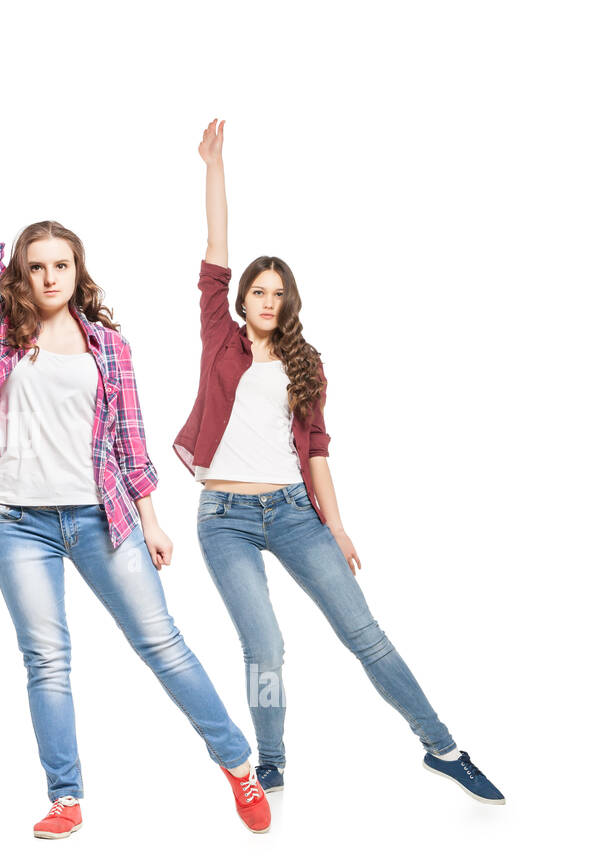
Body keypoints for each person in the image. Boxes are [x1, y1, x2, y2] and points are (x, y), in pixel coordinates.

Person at [0, 85, 268, 838]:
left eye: (62, 265)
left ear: (80, 272)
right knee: (47, 661)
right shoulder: (4, 329)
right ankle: (65, 797)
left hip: (100, 517)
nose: (50, 276)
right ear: (23, 275)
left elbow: (129, 445)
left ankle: (238, 766)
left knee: (161, 643)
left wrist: (151, 520)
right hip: (18, 522)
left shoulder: (109, 349)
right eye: (38, 266)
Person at [174, 119, 504, 804]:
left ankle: (442, 746)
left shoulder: (306, 362)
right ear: (241, 300)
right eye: (256, 290)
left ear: (287, 302)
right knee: (265, 648)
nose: (265, 299)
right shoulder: (218, 335)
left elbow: (316, 450)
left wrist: (339, 525)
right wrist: (213, 166)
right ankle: (270, 761)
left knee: (365, 635)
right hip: (225, 517)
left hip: (294, 512)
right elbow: (216, 246)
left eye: (276, 292)